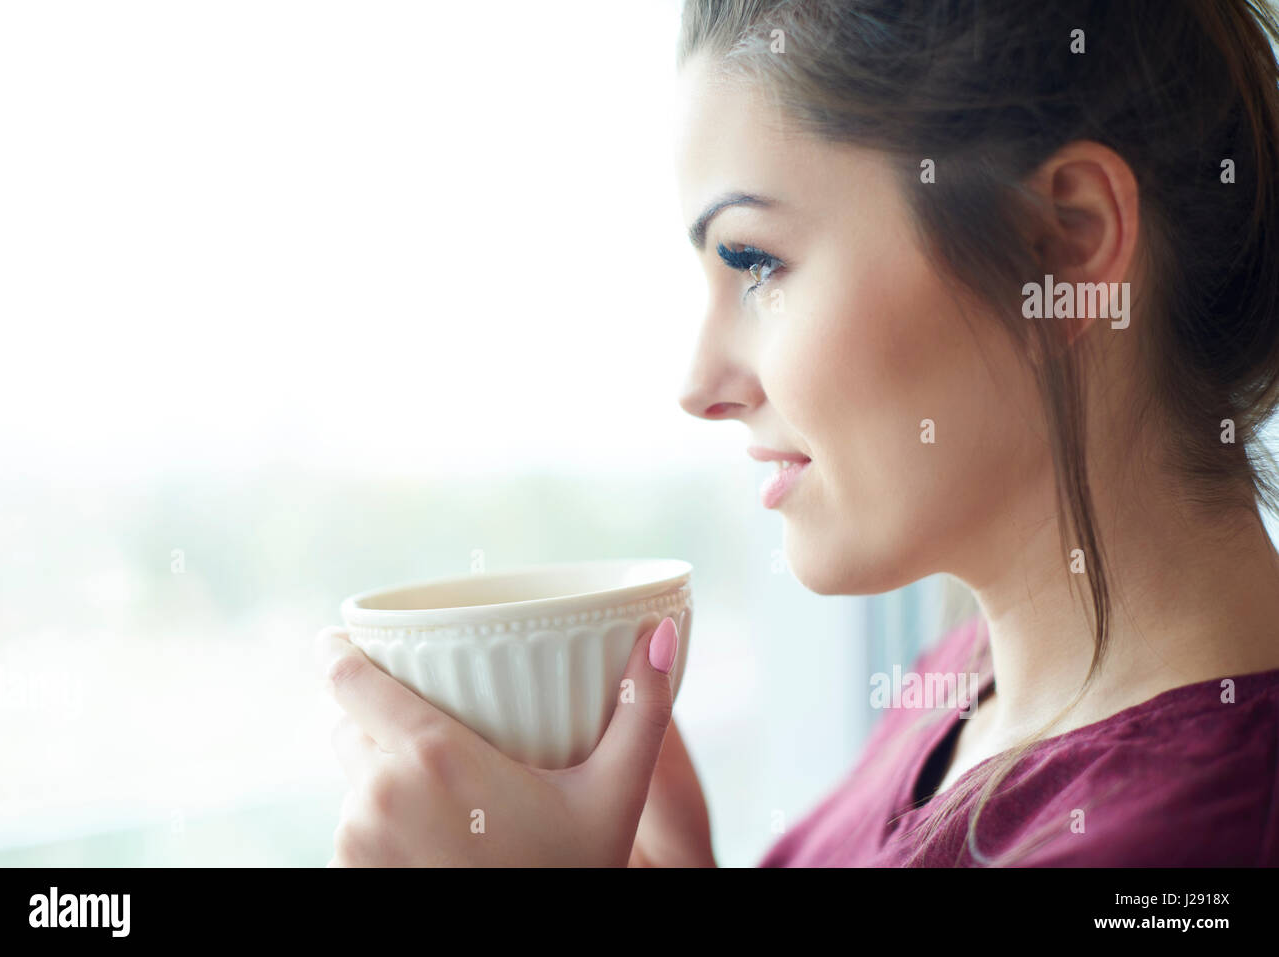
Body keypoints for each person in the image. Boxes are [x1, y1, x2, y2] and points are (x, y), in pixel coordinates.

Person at [320, 0, 1279, 866]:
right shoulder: (964, 692)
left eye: (757, 262)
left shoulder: (1184, 842)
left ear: (1063, 246)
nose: (700, 387)